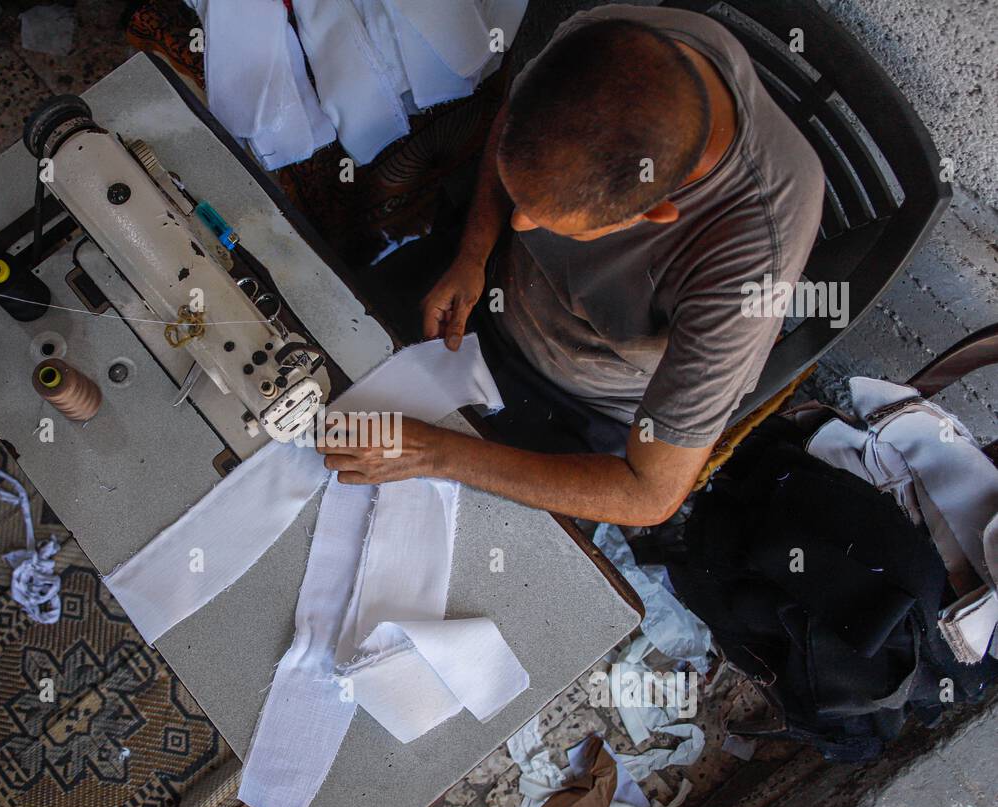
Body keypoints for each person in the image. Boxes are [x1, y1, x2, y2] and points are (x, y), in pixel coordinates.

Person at [321, 5, 825, 526]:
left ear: (654, 212)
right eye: (522, 201)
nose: (520, 226)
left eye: (555, 223)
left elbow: (648, 494)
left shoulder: (748, 261)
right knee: (320, 348)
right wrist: (475, 253)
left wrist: (435, 454)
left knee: (437, 528)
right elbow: (512, 125)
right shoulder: (601, 40)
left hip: (578, 400)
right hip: (481, 289)